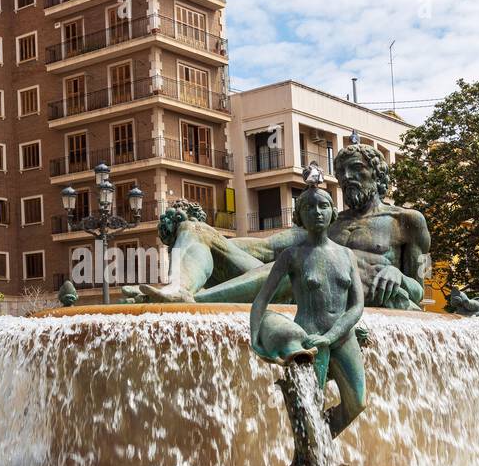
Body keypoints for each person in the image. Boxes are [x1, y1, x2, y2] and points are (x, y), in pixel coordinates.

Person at [132, 143, 430, 310]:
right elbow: (261, 247)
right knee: (195, 229)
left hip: (346, 298)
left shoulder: (405, 221)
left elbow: (418, 290)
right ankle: (178, 288)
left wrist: (399, 277)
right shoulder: (330, 223)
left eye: (357, 170)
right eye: (342, 172)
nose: (348, 177)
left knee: (302, 260)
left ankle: (193, 303)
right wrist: (196, 242)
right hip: (301, 286)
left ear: (378, 176)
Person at [249, 184, 367, 437]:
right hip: (309, 340)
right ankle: (313, 460)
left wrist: (333, 335)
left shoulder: (347, 255)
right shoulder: (292, 255)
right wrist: (255, 339)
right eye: (308, 207)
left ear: (332, 211)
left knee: (357, 403)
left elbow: (357, 305)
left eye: (323, 206)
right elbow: (261, 300)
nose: (317, 212)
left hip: (343, 335)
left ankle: (320, 444)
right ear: (299, 215)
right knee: (311, 405)